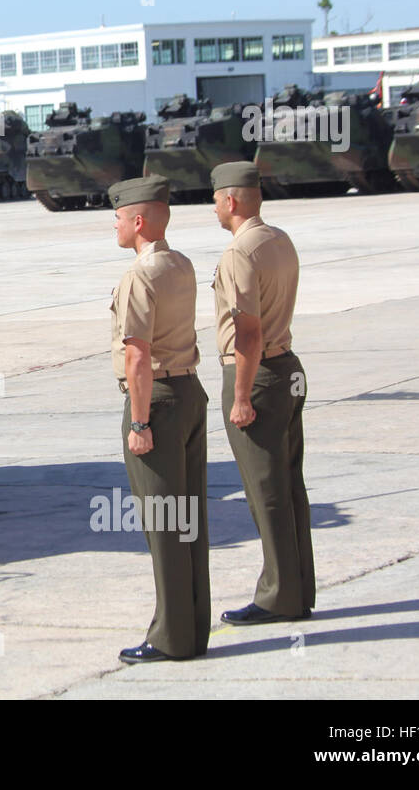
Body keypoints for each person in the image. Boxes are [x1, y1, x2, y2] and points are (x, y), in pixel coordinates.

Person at [108, 174, 209, 663]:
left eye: (120, 218)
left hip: (158, 400)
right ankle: (193, 628)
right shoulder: (181, 264)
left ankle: (171, 638)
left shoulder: (139, 276)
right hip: (190, 391)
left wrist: (140, 423)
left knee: (165, 522)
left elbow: (137, 357)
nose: (115, 225)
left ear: (139, 221)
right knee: (189, 518)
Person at [210, 160, 314, 625]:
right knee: (290, 486)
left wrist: (242, 395)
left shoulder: (239, 252)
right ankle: (298, 589)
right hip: (288, 365)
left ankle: (277, 597)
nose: (214, 207)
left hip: (259, 373)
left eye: (215, 199)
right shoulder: (279, 238)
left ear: (229, 200)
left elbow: (247, 333)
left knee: (265, 491)